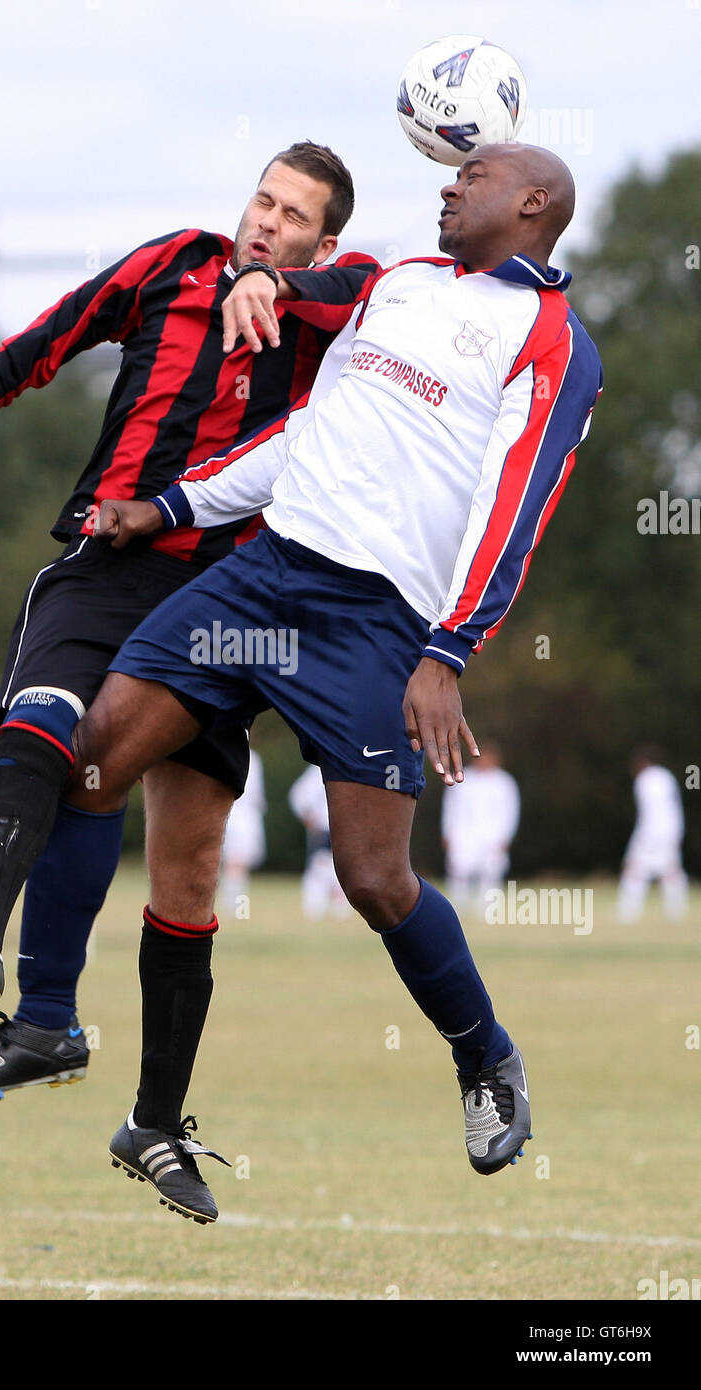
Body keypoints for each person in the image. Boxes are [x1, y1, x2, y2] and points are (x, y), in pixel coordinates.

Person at [44, 142, 601, 1222]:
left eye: (474, 177)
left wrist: (448, 650)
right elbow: (305, 431)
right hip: (264, 573)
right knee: (97, 750)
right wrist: (173, 506)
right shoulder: (394, 283)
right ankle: (47, 1018)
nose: (448, 182)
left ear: (533, 207)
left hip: (377, 624)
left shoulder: (553, 341)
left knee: (372, 877)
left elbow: (515, 503)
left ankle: (482, 1055)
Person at [0, 145, 379, 1150]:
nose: (266, 221)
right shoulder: (171, 263)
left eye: (292, 215)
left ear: (323, 237)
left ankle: (154, 1121)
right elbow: (39, 346)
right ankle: (1, 953)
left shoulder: (338, 306)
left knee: (188, 863)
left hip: (230, 594)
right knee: (54, 722)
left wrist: (280, 280)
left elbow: (363, 285)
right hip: (107, 560)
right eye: (260, 202)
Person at [441, 740, 520, 913]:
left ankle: (486, 909)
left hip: (493, 834)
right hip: (464, 833)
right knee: (459, 870)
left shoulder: (504, 782)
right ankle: (457, 907)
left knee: (490, 872)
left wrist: (506, 836)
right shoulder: (463, 779)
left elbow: (510, 812)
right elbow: (451, 808)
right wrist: (448, 832)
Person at [617, 747, 688, 922]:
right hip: (671, 830)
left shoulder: (644, 780)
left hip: (651, 831)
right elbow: (674, 808)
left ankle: (628, 911)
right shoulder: (667, 777)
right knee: (670, 870)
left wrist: (641, 836)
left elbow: (649, 812)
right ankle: (676, 911)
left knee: (635, 869)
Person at [288, 763, 351, 919]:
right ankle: (315, 906)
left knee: (344, 867)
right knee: (319, 866)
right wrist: (308, 818)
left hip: (345, 828)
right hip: (323, 827)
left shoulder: (350, 768)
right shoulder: (317, 771)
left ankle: (340, 908)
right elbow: (299, 796)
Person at [219, 747, 266, 917]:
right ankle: (237, 909)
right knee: (237, 865)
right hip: (241, 818)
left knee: (235, 865)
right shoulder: (252, 758)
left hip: (237, 814)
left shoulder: (251, 757)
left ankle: (236, 908)